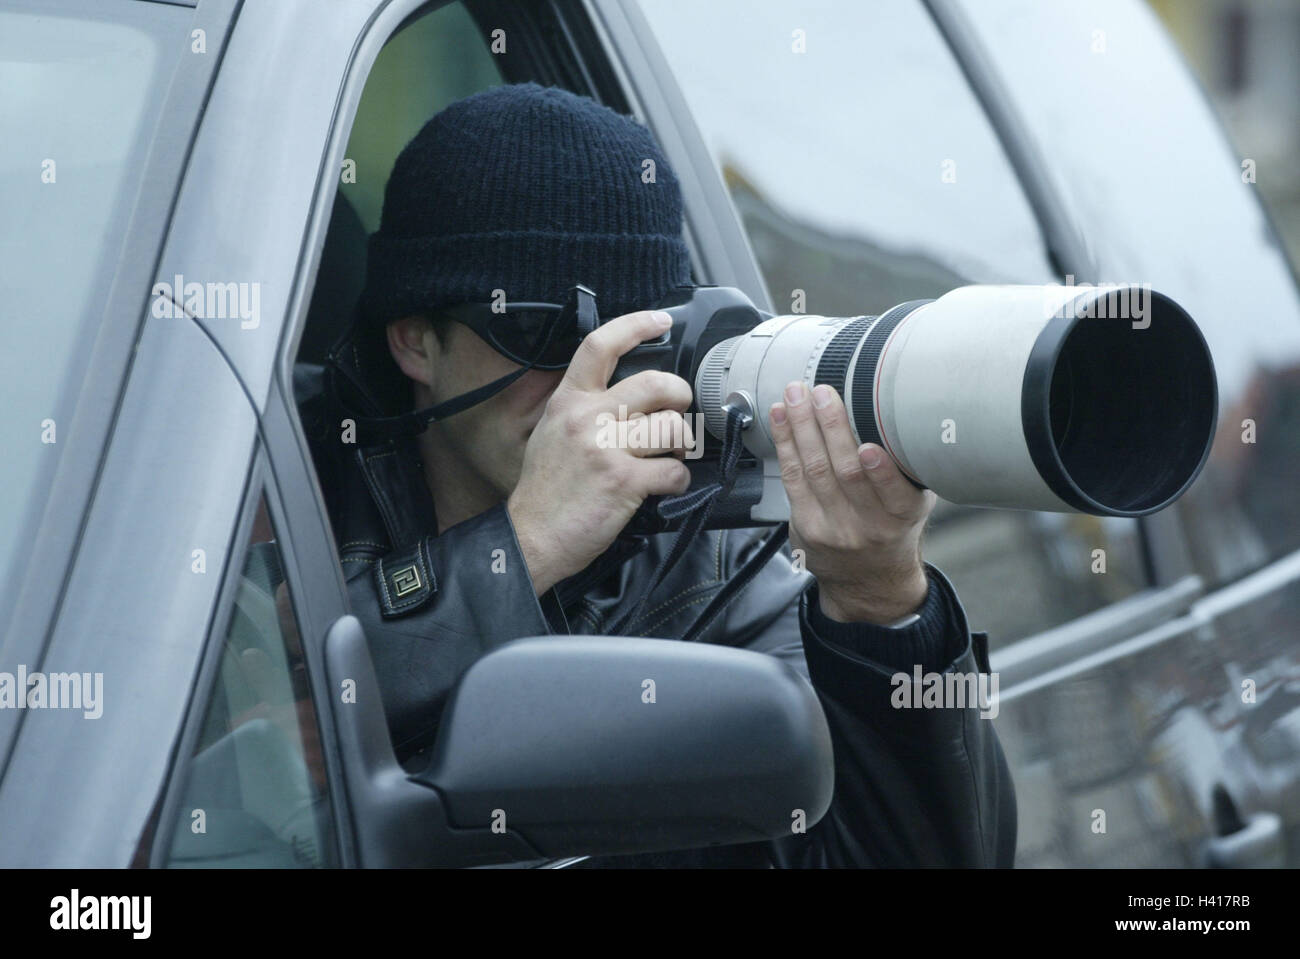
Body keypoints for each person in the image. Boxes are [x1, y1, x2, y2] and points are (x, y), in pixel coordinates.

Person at [320, 82, 1016, 867]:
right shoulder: (274, 490)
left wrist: (882, 604)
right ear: (415, 340)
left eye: (642, 339)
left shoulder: (715, 565)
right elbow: (255, 739)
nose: (600, 377)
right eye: (543, 330)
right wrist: (524, 546)